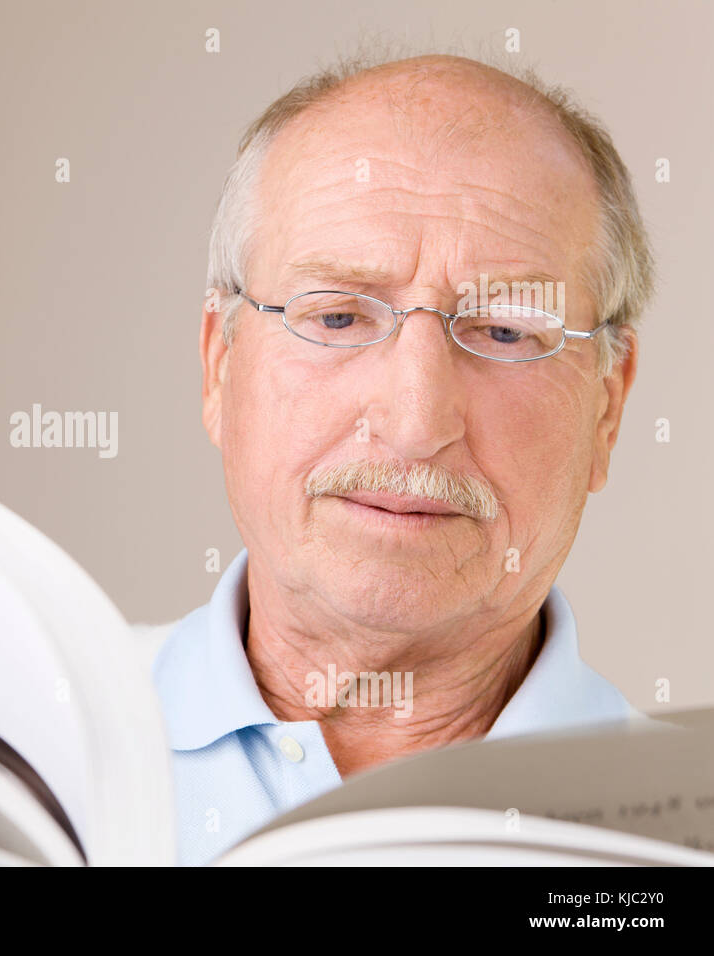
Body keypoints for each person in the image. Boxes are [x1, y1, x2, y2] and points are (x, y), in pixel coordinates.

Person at [151, 52, 656, 866]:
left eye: (504, 331)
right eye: (339, 317)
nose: (417, 422)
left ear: (608, 405)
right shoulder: (8, 752)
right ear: (219, 364)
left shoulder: (673, 848)